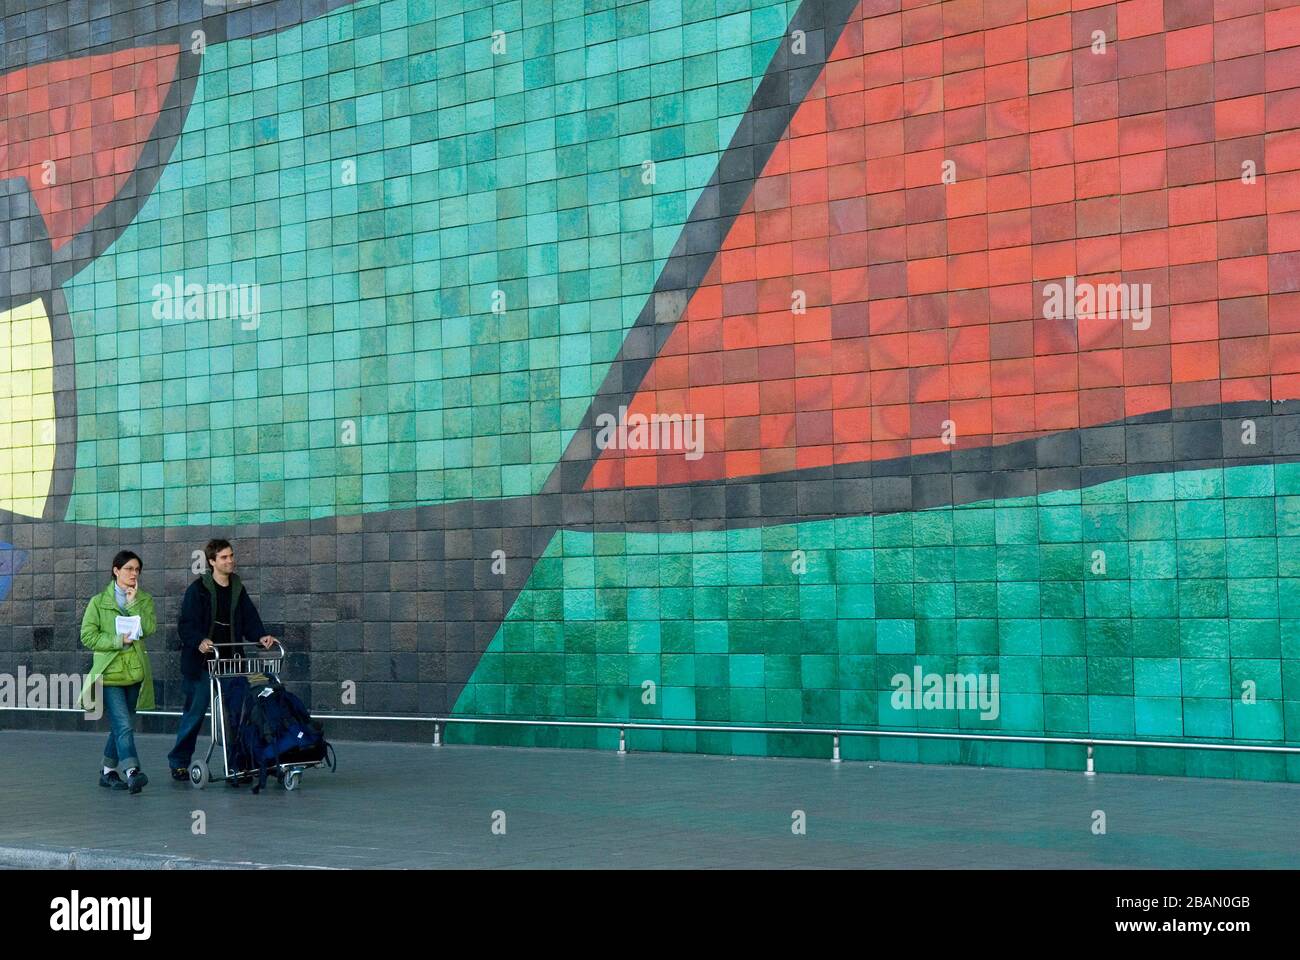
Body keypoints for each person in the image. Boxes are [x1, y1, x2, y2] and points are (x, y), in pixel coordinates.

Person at [167, 538, 277, 781]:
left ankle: (238, 764)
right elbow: (185, 625)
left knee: (236, 712)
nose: (230, 560)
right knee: (195, 713)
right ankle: (179, 762)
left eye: (231, 555)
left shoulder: (237, 588)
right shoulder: (198, 590)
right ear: (212, 562)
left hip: (231, 663)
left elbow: (249, 618)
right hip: (203, 664)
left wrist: (261, 636)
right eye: (224, 557)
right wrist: (200, 641)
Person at [78, 550, 157, 794]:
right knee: (123, 724)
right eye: (129, 569)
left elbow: (150, 628)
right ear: (116, 571)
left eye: (137, 570)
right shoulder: (98, 602)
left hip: (134, 673)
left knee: (121, 726)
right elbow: (87, 636)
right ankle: (133, 771)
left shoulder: (143, 599)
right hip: (109, 674)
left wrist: (133, 605)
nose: (134, 574)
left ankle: (107, 771)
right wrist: (116, 640)